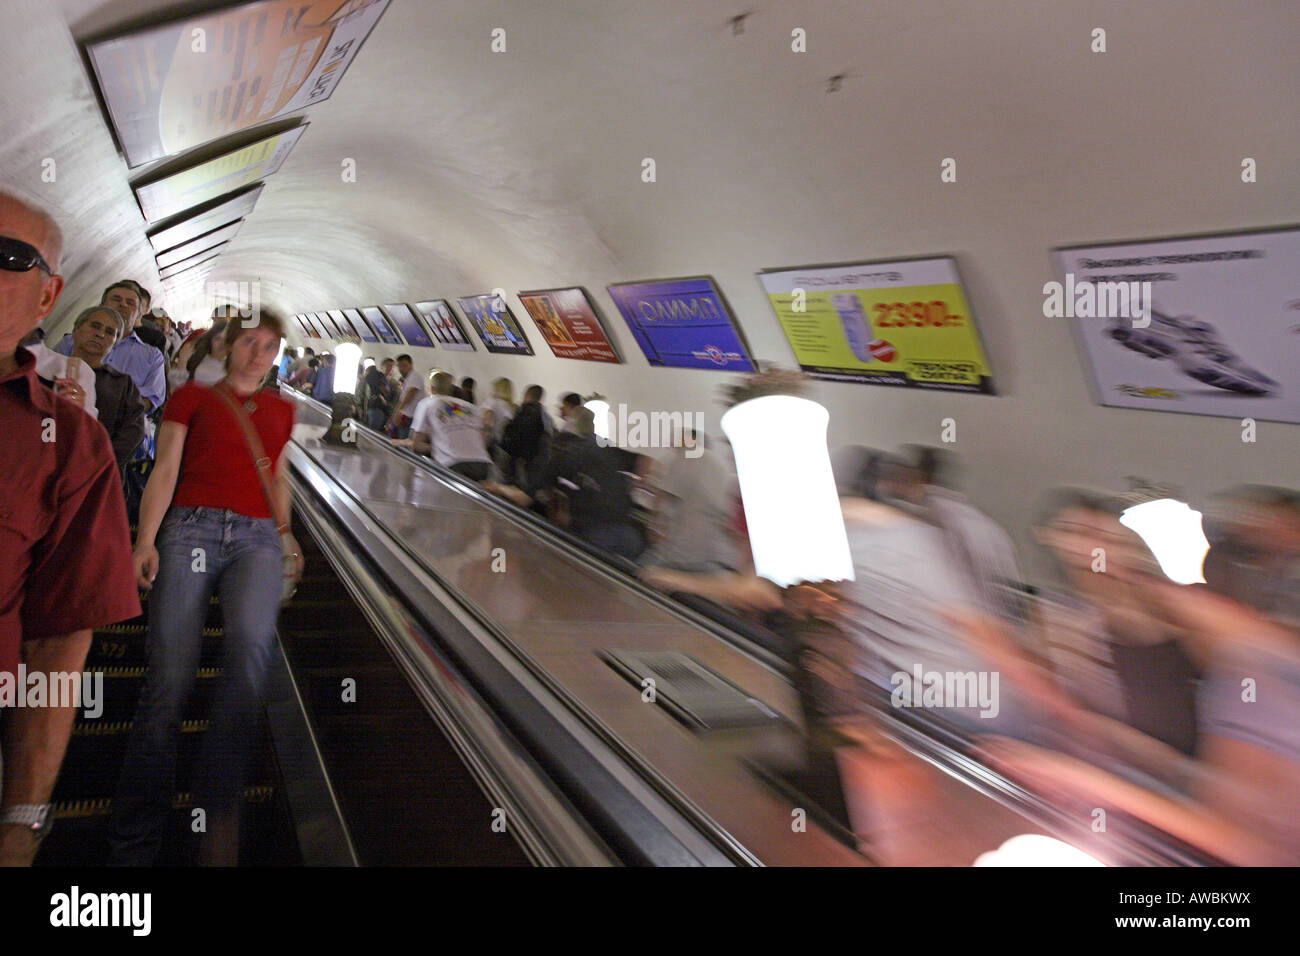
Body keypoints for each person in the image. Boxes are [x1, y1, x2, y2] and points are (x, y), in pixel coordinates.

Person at [108, 306, 300, 866]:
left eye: (269, 347)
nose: (258, 354)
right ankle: (134, 841)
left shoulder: (281, 410)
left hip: (258, 538)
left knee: (248, 657)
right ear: (226, 346)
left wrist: (286, 536)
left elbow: (279, 476)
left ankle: (217, 821)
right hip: (190, 526)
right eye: (249, 343)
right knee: (168, 678)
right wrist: (145, 541)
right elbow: (165, 468)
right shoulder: (192, 397)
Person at [0, 190, 140, 866]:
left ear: (45, 295)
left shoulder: (71, 446)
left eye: (7, 257)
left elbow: (57, 644)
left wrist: (22, 819)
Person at [488, 407, 641, 560]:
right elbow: (646, 463)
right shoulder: (606, 447)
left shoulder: (563, 454)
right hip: (627, 532)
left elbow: (523, 497)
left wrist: (498, 487)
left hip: (593, 533)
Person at [67, 306, 147, 470]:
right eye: (95, 326)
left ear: (114, 343)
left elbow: (133, 433)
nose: (100, 334)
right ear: (76, 329)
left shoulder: (122, 384)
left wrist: (99, 463)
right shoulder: (48, 370)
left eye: (110, 332)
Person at [411, 372, 493, 480]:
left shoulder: (426, 403)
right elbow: (483, 440)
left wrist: (437, 447)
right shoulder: (470, 406)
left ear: (431, 387)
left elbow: (416, 445)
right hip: (482, 462)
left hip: (453, 462)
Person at [499, 384, 550, 486]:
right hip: (534, 460)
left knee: (511, 483)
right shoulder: (546, 417)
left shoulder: (524, 411)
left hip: (518, 457)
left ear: (527, 394)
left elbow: (514, 435)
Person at [388, 354, 424, 439]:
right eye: (399, 366)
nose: (401, 369)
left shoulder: (416, 376)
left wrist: (398, 412)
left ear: (411, 365)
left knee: (404, 440)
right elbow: (402, 399)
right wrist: (394, 414)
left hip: (412, 418)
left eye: (404, 366)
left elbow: (410, 394)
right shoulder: (407, 379)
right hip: (405, 417)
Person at [361, 358, 395, 430]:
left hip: (385, 413)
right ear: (382, 367)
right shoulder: (375, 376)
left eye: (393, 366)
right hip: (375, 409)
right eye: (388, 366)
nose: (391, 368)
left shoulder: (393, 383)